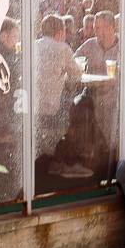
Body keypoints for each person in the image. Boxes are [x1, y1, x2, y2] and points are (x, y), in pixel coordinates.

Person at [35, 14, 87, 179]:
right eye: (64, 31)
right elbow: (77, 75)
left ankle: (56, 161)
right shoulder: (62, 48)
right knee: (81, 109)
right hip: (50, 108)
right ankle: (69, 162)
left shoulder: (33, 46)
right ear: (59, 32)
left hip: (32, 108)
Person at [76, 10, 118, 75]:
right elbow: (73, 61)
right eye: (94, 28)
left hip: (116, 85)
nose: (94, 31)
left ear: (110, 28)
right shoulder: (89, 44)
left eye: (97, 28)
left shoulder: (122, 47)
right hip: (91, 85)